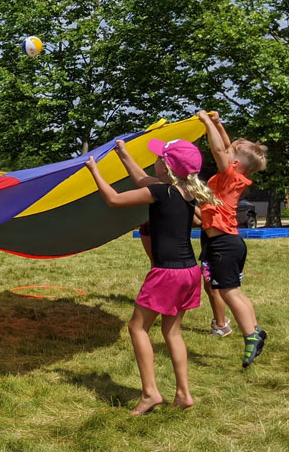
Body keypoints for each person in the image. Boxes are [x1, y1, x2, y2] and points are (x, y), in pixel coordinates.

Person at [85, 137, 219, 416]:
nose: (155, 162)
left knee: (137, 328)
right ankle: (183, 394)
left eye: (159, 158)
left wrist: (94, 171)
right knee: (172, 331)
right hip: (189, 271)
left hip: (167, 273)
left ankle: (150, 393)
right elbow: (142, 179)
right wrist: (123, 155)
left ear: (167, 167)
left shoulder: (161, 192)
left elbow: (114, 199)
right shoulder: (185, 192)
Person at [196, 110, 268, 367]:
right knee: (236, 291)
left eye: (230, 154)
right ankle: (256, 329)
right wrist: (217, 123)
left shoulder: (228, 175)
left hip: (223, 244)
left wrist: (206, 123)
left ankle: (250, 336)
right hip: (230, 242)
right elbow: (226, 146)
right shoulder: (235, 176)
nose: (225, 152)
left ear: (234, 163)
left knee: (228, 292)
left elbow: (218, 149)